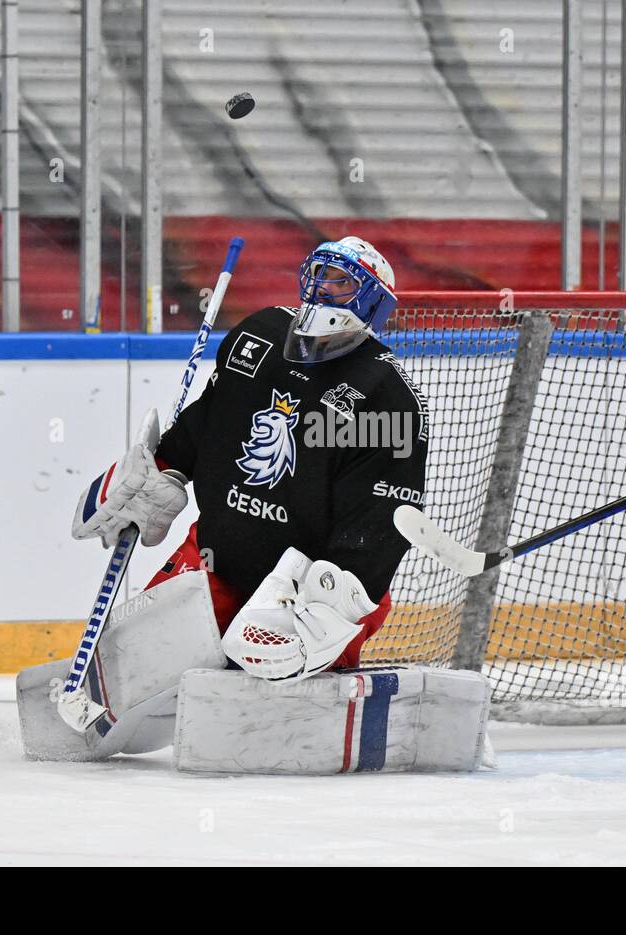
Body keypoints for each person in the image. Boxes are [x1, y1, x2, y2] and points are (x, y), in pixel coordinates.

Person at [73, 236, 429, 685]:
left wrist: (328, 606)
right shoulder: (260, 333)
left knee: (275, 693)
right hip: (217, 555)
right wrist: (165, 468)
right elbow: (211, 415)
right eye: (318, 274)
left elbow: (382, 518)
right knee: (135, 665)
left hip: (310, 588)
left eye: (340, 282)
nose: (321, 288)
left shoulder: (387, 397)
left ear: (372, 300)